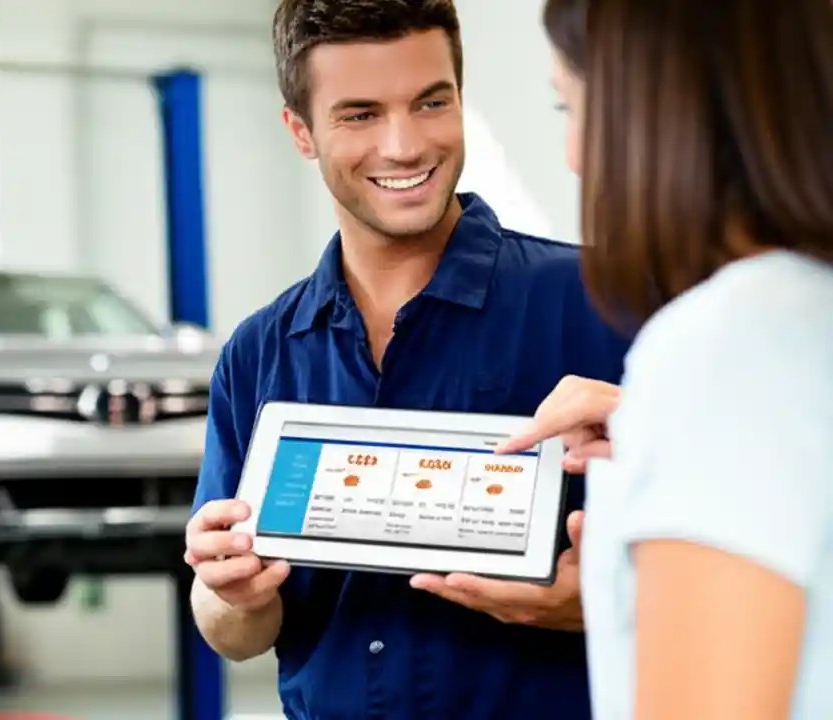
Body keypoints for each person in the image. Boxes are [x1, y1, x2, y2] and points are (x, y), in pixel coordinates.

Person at [183, 1, 632, 717]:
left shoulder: (606, 305)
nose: (405, 146)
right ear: (300, 131)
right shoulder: (258, 352)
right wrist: (227, 592)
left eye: (431, 102)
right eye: (360, 114)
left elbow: (752, 560)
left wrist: (605, 599)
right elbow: (237, 632)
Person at [497, 0, 833, 717]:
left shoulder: (722, 347)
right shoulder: (798, 319)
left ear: (649, 114)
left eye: (569, 107)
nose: (575, 155)